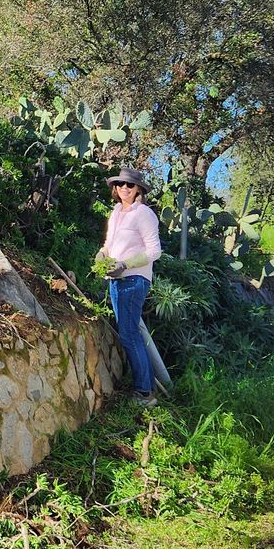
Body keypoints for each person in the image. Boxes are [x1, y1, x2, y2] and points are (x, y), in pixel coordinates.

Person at [98, 167, 163, 407]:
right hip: (116, 279)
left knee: (129, 334)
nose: (124, 188)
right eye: (120, 184)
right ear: (115, 188)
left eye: (130, 185)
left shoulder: (144, 214)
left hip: (134, 279)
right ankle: (144, 388)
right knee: (129, 333)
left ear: (138, 190)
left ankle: (144, 393)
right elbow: (110, 243)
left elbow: (154, 251)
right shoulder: (116, 212)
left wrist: (125, 264)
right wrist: (103, 253)